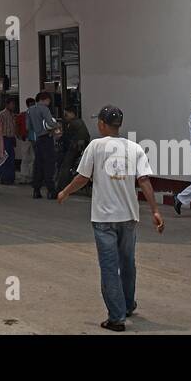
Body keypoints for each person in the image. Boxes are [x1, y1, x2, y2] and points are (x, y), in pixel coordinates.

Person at [58, 106, 164, 332]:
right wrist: (155, 210)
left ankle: (116, 318)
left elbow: (82, 178)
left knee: (109, 267)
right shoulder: (134, 148)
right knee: (127, 263)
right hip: (128, 217)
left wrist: (65, 191)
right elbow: (144, 181)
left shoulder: (95, 146)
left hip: (104, 218)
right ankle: (127, 305)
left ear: (102, 124)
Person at [26, 91, 59, 199]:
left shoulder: (30, 110)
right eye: (49, 100)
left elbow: (28, 127)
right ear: (45, 99)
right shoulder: (44, 109)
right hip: (47, 138)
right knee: (49, 164)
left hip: (37, 139)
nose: (49, 103)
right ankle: (51, 191)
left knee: (38, 164)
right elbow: (50, 123)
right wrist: (57, 126)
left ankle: (36, 190)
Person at [55, 102, 92, 197]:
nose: (65, 116)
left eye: (66, 114)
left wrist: (60, 139)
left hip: (75, 147)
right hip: (83, 147)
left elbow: (66, 137)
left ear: (71, 113)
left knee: (65, 165)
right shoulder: (80, 121)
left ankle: (62, 187)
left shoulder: (72, 123)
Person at [0, 97, 17, 185]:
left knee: (11, 159)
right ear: (7, 104)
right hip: (4, 138)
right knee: (4, 158)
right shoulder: (1, 114)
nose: (13, 106)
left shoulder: (13, 115)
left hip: (11, 138)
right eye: (12, 104)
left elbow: (14, 127)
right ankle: (3, 177)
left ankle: (10, 177)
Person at [18, 96, 35, 183]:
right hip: (25, 138)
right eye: (31, 105)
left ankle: (30, 176)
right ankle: (23, 176)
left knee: (33, 158)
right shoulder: (22, 115)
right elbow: (17, 125)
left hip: (34, 139)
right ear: (28, 105)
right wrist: (19, 134)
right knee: (25, 158)